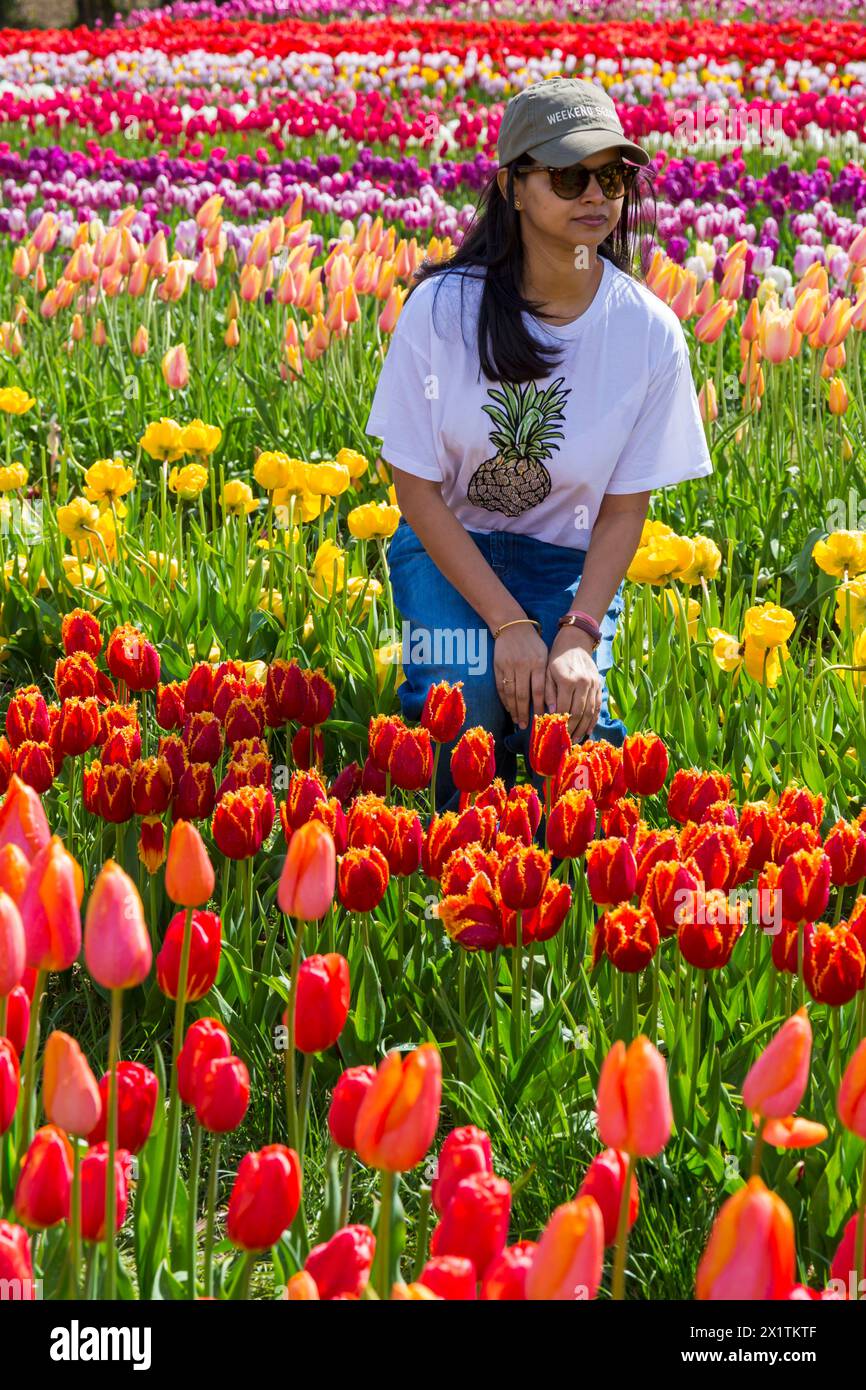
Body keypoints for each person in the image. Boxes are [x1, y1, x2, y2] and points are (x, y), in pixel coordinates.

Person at [366, 76, 712, 810]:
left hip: (568, 565)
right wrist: (508, 625)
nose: (595, 193)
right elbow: (417, 491)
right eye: (567, 175)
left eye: (612, 175)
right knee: (471, 706)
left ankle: (568, 875)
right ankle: (445, 852)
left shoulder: (647, 332)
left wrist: (578, 632)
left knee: (575, 726)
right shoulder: (442, 310)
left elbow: (623, 511)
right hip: (452, 547)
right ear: (513, 187)